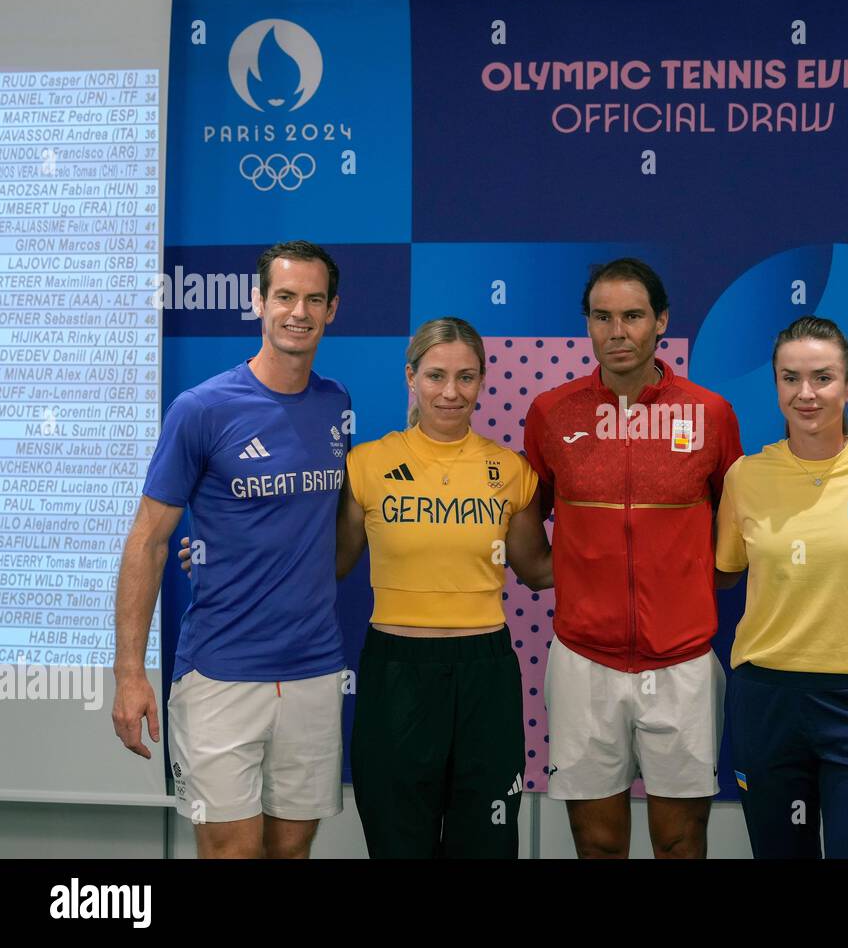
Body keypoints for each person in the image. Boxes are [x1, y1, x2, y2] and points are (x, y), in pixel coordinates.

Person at [112, 240, 351, 859]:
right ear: (257, 302)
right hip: (221, 674)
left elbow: (327, 528)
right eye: (284, 296)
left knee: (291, 853)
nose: (298, 311)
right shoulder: (201, 409)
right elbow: (148, 541)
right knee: (230, 855)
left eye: (313, 299)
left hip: (315, 672)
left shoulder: (335, 404)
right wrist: (131, 674)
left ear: (332, 310)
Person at [524, 257, 743, 858]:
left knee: (679, 840)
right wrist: (551, 569)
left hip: (683, 663)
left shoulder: (710, 414)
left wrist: (704, 579)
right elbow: (528, 507)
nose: (616, 331)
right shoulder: (551, 411)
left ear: (661, 321)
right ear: (588, 325)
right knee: (595, 843)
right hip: (583, 659)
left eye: (632, 316)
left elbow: (735, 525)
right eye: (602, 317)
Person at [337, 317, 552, 858]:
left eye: (465, 377)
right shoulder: (366, 464)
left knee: (486, 844)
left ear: (482, 380)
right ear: (411, 377)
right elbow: (328, 565)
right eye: (435, 376)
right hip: (396, 673)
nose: (451, 392)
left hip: (486, 674)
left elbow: (538, 570)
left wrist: (635, 549)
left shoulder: (509, 470)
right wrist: (226, 559)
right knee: (398, 845)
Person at [714, 316, 848, 858]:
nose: (806, 394)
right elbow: (726, 568)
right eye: (790, 378)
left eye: (822, 378)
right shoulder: (744, 477)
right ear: (776, 385)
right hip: (767, 701)